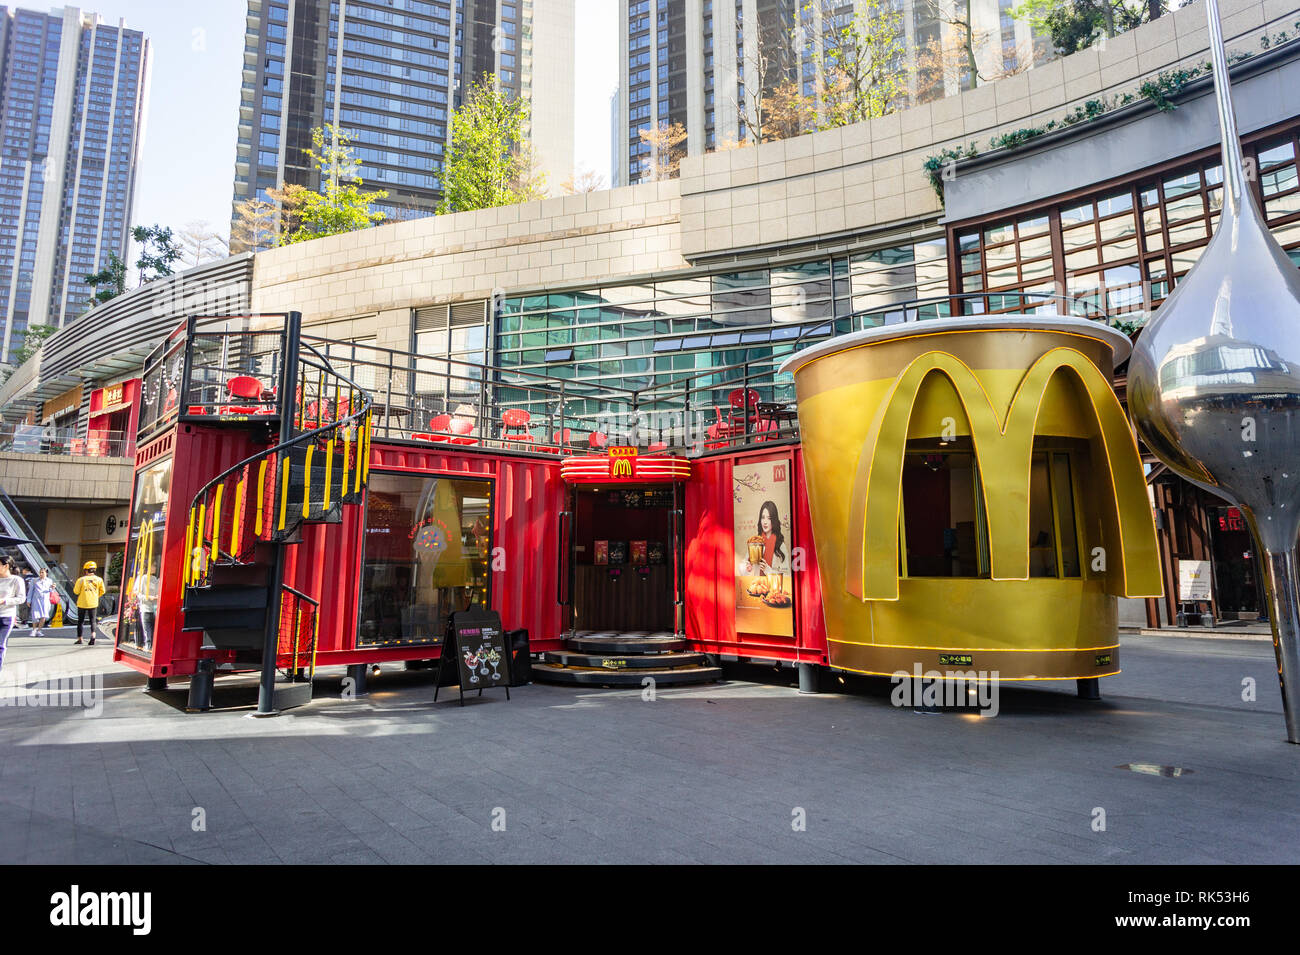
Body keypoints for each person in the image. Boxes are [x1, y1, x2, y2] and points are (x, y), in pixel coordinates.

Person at [744, 500, 788, 575]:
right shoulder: (756, 542)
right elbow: (745, 566)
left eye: (769, 518)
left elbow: (787, 575)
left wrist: (768, 570)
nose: (765, 522)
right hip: (757, 585)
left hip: (773, 586)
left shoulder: (780, 545)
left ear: (774, 520)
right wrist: (748, 567)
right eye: (763, 517)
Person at [0, 557, 26, 673]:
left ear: (6, 566)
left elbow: (21, 598)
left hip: (6, 617)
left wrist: (4, 601)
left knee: (0, 644)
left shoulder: (16, 580)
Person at [72, 560, 106, 646]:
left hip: (82, 603)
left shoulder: (81, 580)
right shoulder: (99, 579)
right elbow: (103, 591)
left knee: (80, 621)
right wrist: (95, 595)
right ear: (94, 570)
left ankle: (80, 638)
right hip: (93, 602)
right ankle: (93, 636)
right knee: (93, 620)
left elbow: (76, 591)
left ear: (86, 570)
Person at [27, 567, 53, 637]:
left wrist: (52, 588)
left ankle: (39, 630)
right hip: (36, 600)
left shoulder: (49, 581)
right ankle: (34, 630)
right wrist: (28, 600)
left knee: (43, 616)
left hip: (45, 600)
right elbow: (30, 591)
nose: (41, 574)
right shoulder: (34, 580)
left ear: (46, 573)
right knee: (35, 615)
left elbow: (50, 591)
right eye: (40, 572)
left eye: (43, 572)